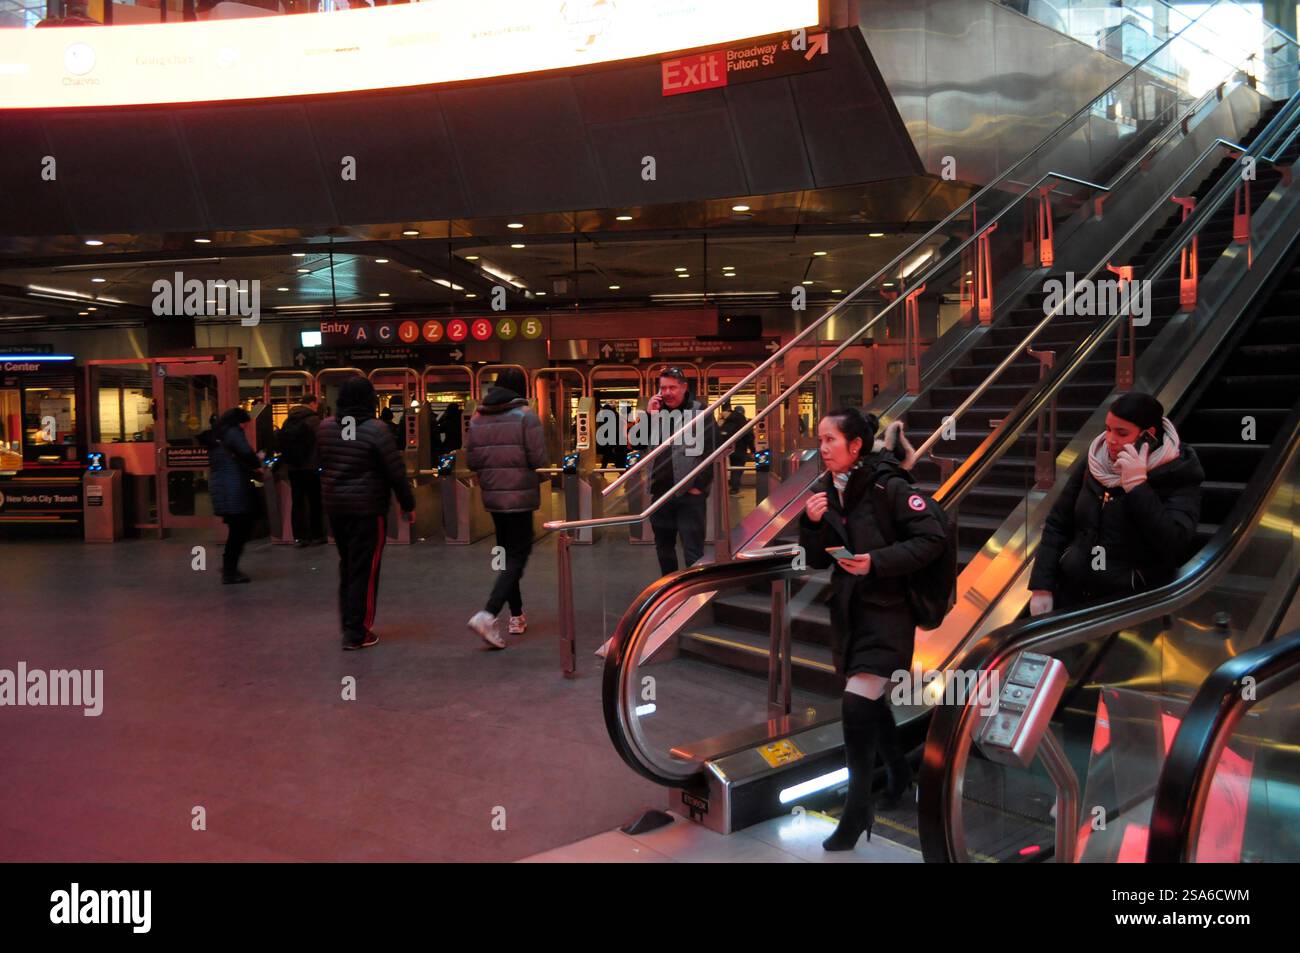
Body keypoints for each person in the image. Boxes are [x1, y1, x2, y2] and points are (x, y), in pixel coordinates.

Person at [798, 408, 947, 851]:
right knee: (867, 699)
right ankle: (899, 770)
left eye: (830, 440)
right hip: (850, 613)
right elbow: (818, 559)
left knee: (856, 702)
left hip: (890, 612)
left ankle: (858, 806)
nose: (822, 448)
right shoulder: (828, 490)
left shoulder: (889, 486)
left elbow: (932, 539)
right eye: (820, 440)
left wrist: (877, 562)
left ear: (856, 445)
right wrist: (809, 524)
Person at [1029, 392, 1203, 615]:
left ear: (1147, 436)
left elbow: (1174, 542)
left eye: (1122, 433)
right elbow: (1057, 523)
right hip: (1072, 593)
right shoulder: (1095, 463)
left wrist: (1137, 486)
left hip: (1129, 604)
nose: (1110, 439)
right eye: (1108, 429)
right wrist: (1042, 585)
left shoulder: (1178, 473)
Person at [316, 378, 415, 651]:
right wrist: (408, 504)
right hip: (368, 510)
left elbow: (320, 464)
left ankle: (349, 624)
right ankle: (357, 631)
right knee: (366, 570)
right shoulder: (376, 430)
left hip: (336, 509)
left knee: (347, 566)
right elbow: (395, 471)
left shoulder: (325, 428)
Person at [465, 368, 547, 649]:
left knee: (504, 555)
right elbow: (539, 458)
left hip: (494, 498)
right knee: (517, 556)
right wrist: (545, 476)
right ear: (522, 388)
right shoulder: (526, 415)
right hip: (520, 498)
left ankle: (516, 615)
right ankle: (488, 613)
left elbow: (472, 461)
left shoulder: (477, 417)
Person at [641, 367, 721, 576]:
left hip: (689, 496)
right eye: (663, 388)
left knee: (693, 550)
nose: (667, 392)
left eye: (672, 387)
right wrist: (649, 416)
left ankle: (694, 597)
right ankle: (670, 592)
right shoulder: (657, 413)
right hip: (660, 494)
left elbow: (713, 450)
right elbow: (640, 443)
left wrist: (699, 486)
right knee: (664, 548)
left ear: (684, 387)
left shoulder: (700, 412)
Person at [201, 407, 265, 585]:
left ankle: (229, 567)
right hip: (234, 489)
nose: (245, 427)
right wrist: (256, 462)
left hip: (223, 488)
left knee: (237, 529)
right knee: (240, 529)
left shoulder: (218, 434)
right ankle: (229, 570)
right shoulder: (233, 432)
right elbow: (245, 452)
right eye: (245, 424)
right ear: (238, 422)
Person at [278, 394, 326, 547]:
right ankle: (317, 535)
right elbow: (321, 443)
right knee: (315, 501)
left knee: (298, 502)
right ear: (312, 404)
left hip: (293, 467)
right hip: (311, 467)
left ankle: (300, 537)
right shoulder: (314, 420)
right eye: (316, 405)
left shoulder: (288, 420)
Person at [719, 404, 756, 494]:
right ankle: (734, 487)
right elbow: (749, 437)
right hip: (741, 449)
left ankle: (732, 483)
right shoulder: (744, 422)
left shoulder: (728, 421)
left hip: (729, 449)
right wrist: (753, 450)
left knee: (732, 466)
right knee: (738, 468)